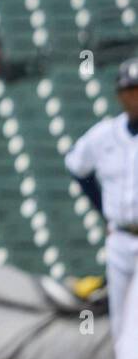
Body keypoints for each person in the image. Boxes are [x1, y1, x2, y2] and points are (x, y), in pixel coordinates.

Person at [65, 57, 138, 344]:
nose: (133, 98)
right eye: (128, 91)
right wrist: (104, 212)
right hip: (120, 238)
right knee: (121, 323)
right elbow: (76, 165)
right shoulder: (105, 134)